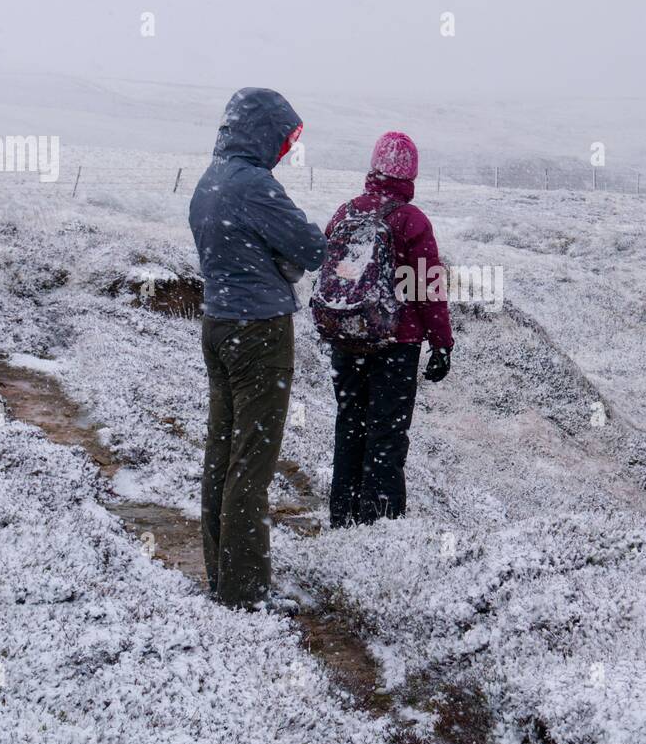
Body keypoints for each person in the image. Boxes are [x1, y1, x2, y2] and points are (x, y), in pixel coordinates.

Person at [188, 87, 325, 611]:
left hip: (217, 325)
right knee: (253, 461)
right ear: (262, 133)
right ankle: (247, 593)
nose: (284, 150)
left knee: (222, 451)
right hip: (260, 332)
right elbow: (311, 248)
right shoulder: (254, 187)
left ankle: (222, 576)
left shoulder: (210, 181)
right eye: (282, 138)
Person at [320, 131, 453, 527]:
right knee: (387, 438)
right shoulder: (411, 220)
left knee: (349, 429)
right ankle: (382, 530)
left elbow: (331, 272)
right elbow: (427, 285)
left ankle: (342, 522)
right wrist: (441, 343)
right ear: (411, 173)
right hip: (396, 344)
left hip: (347, 337)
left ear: (374, 166)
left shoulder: (345, 213)